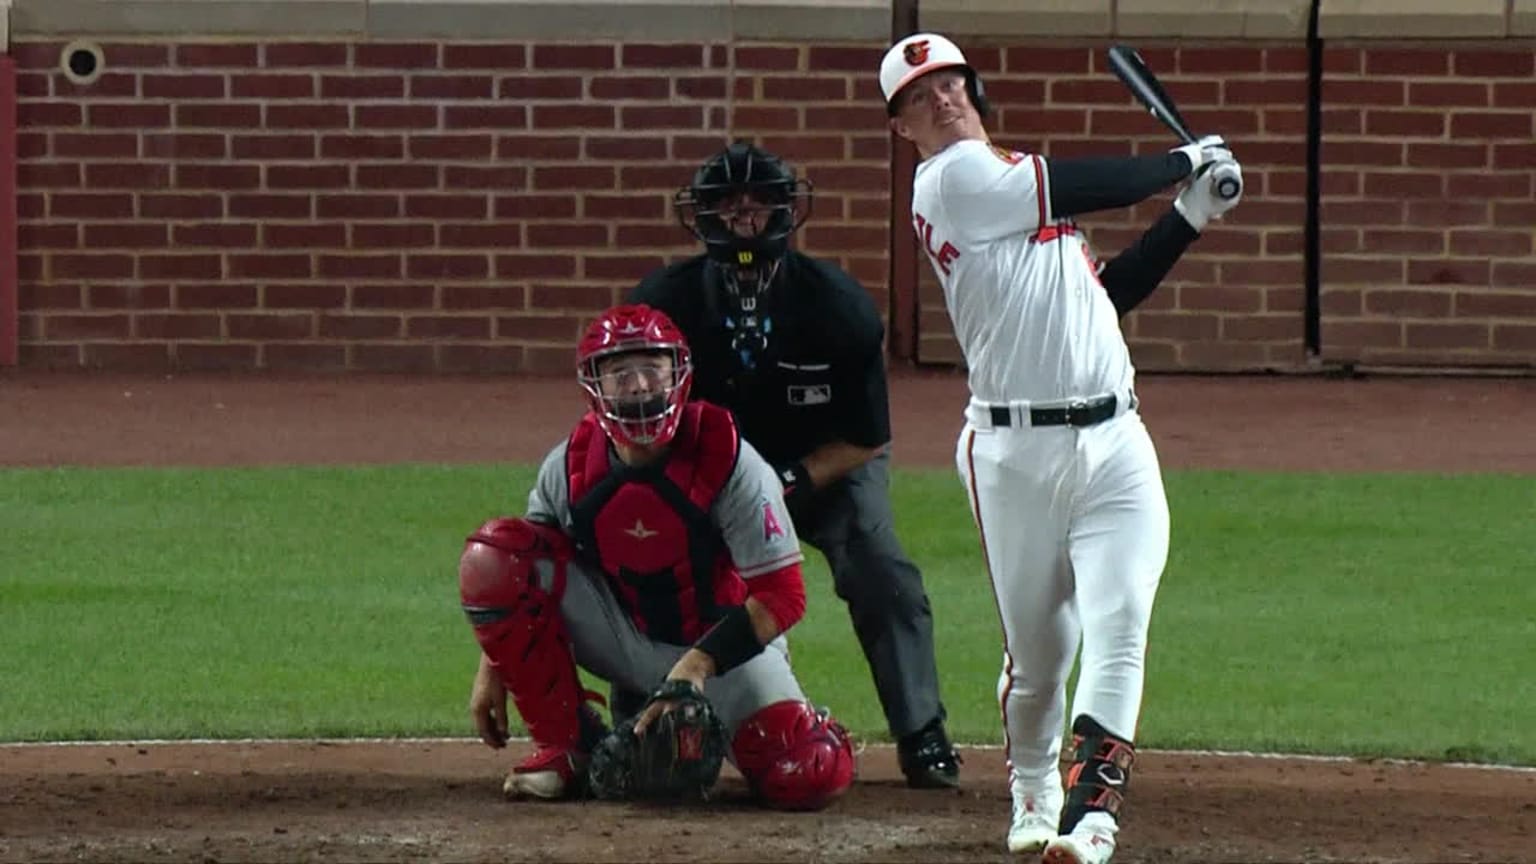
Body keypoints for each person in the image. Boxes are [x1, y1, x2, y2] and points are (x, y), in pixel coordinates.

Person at [877, 32, 1243, 864]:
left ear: (971, 86)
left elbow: (1105, 295)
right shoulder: (955, 179)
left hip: (1117, 440)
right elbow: (1079, 181)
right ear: (902, 127)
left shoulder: (1008, 187)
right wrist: (1180, 160)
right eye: (917, 96)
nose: (940, 99)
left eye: (949, 82)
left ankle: (1090, 817)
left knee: (1120, 623)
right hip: (1012, 454)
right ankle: (1034, 787)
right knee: (1041, 658)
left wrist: (1188, 213)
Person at [625, 142, 962, 789]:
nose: (744, 217)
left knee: (880, 567)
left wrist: (789, 482)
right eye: (727, 203)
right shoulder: (662, 304)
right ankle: (641, 719)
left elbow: (866, 439)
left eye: (759, 203)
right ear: (702, 214)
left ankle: (922, 734)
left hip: (821, 472)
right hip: (707, 476)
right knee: (640, 554)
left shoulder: (838, 306)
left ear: (787, 210)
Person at [457, 303, 856, 811]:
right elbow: (522, 578)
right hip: (625, 637)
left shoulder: (730, 460)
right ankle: (567, 746)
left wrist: (692, 669)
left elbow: (784, 597)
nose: (641, 386)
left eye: (653, 368)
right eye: (621, 373)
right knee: (494, 557)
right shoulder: (570, 466)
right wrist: (494, 666)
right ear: (593, 386)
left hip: (723, 653)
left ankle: (798, 727)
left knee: (810, 774)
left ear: (679, 374)